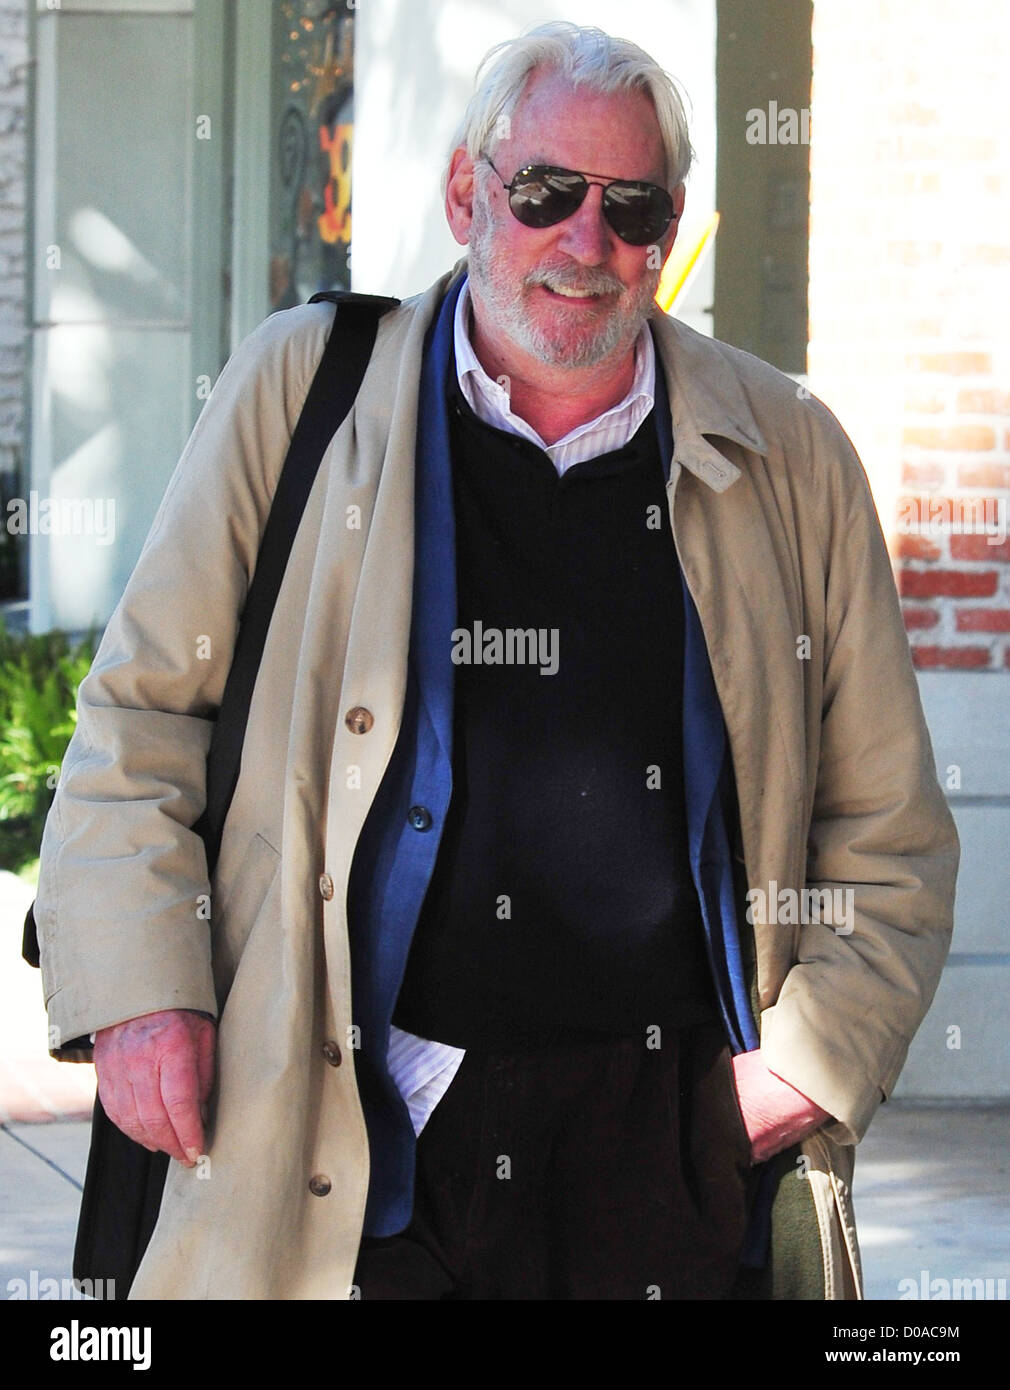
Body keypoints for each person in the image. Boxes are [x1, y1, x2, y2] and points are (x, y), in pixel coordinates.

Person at [34, 21, 958, 1300]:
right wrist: (141, 993)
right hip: (368, 1129)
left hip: (673, 1146)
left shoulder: (787, 454)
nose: (586, 244)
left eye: (628, 208)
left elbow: (888, 834)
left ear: (668, 224)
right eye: (544, 194)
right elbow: (142, 717)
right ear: (468, 194)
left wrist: (792, 1075)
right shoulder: (304, 389)